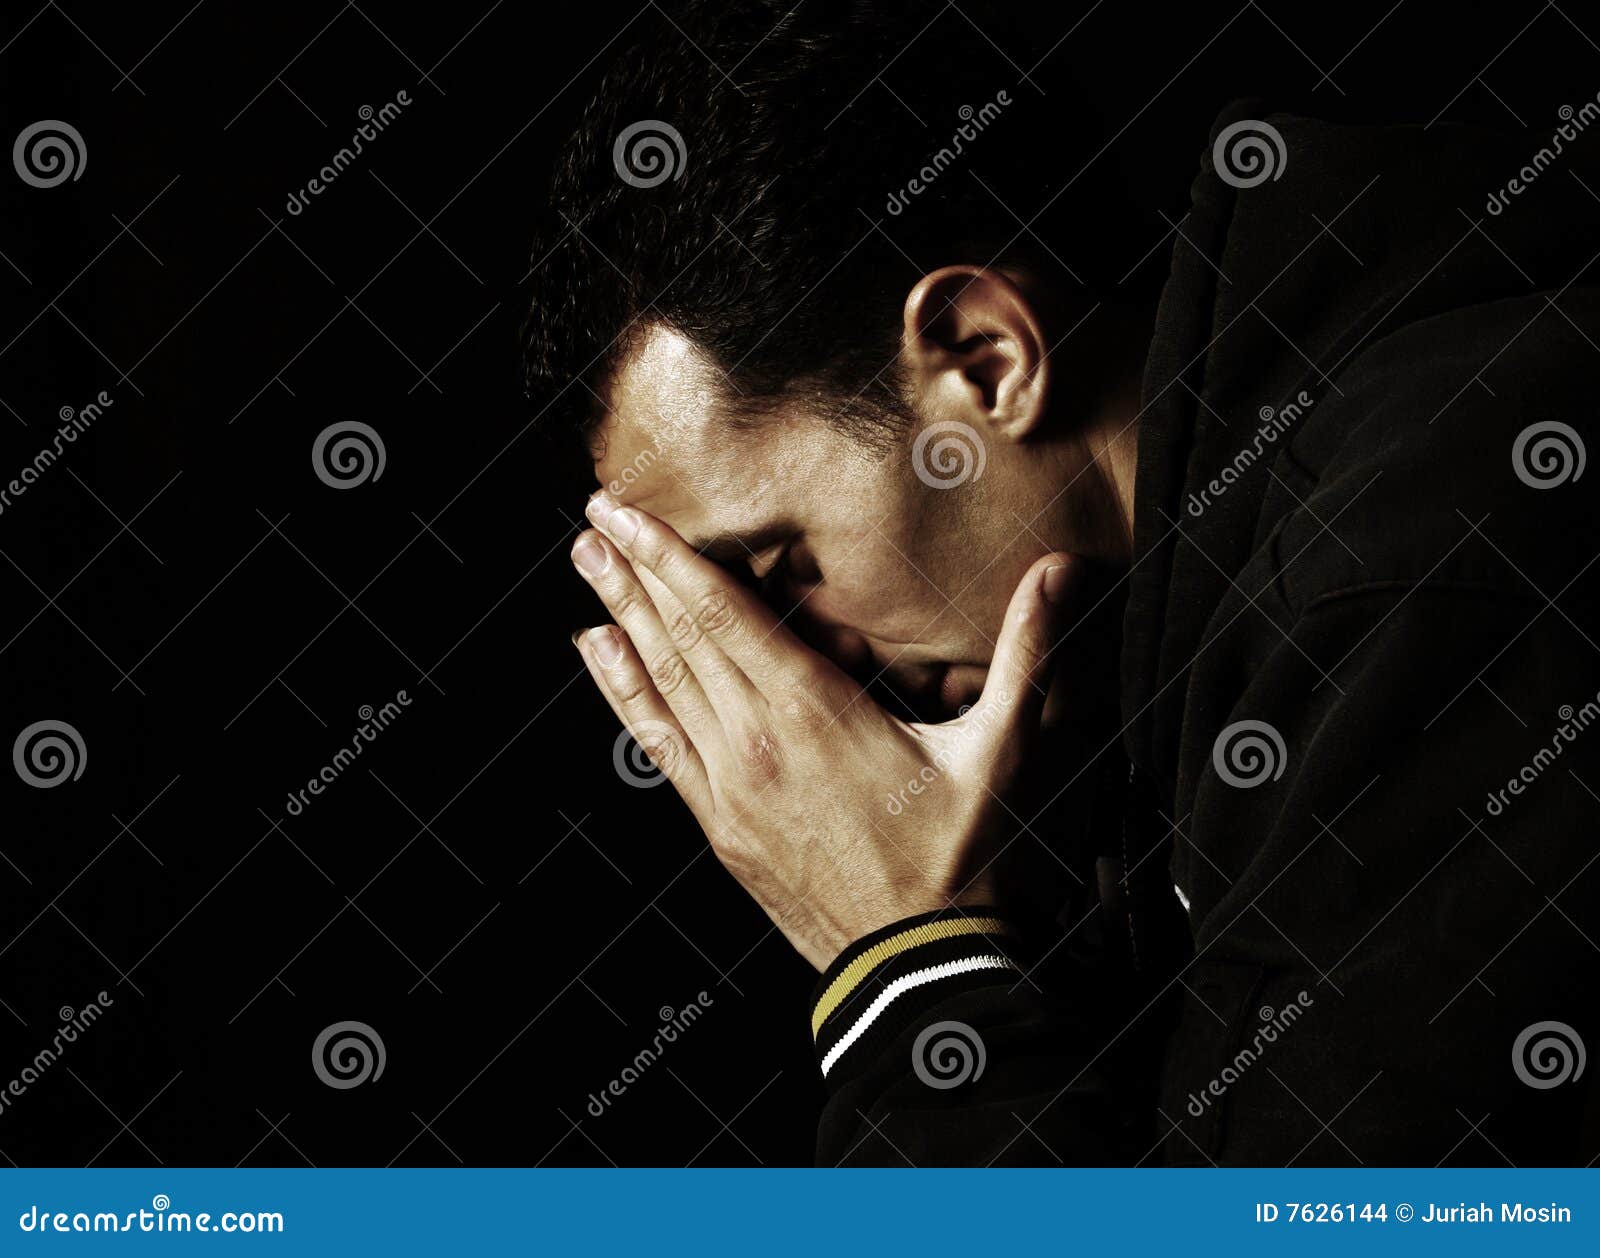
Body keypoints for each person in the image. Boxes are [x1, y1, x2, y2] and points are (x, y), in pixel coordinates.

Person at [523, 0, 1600, 1164]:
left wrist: (912, 967)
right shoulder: (1166, 665)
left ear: (986, 359)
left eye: (777, 569)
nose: (789, 672)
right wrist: (1031, 949)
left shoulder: (1421, 572)